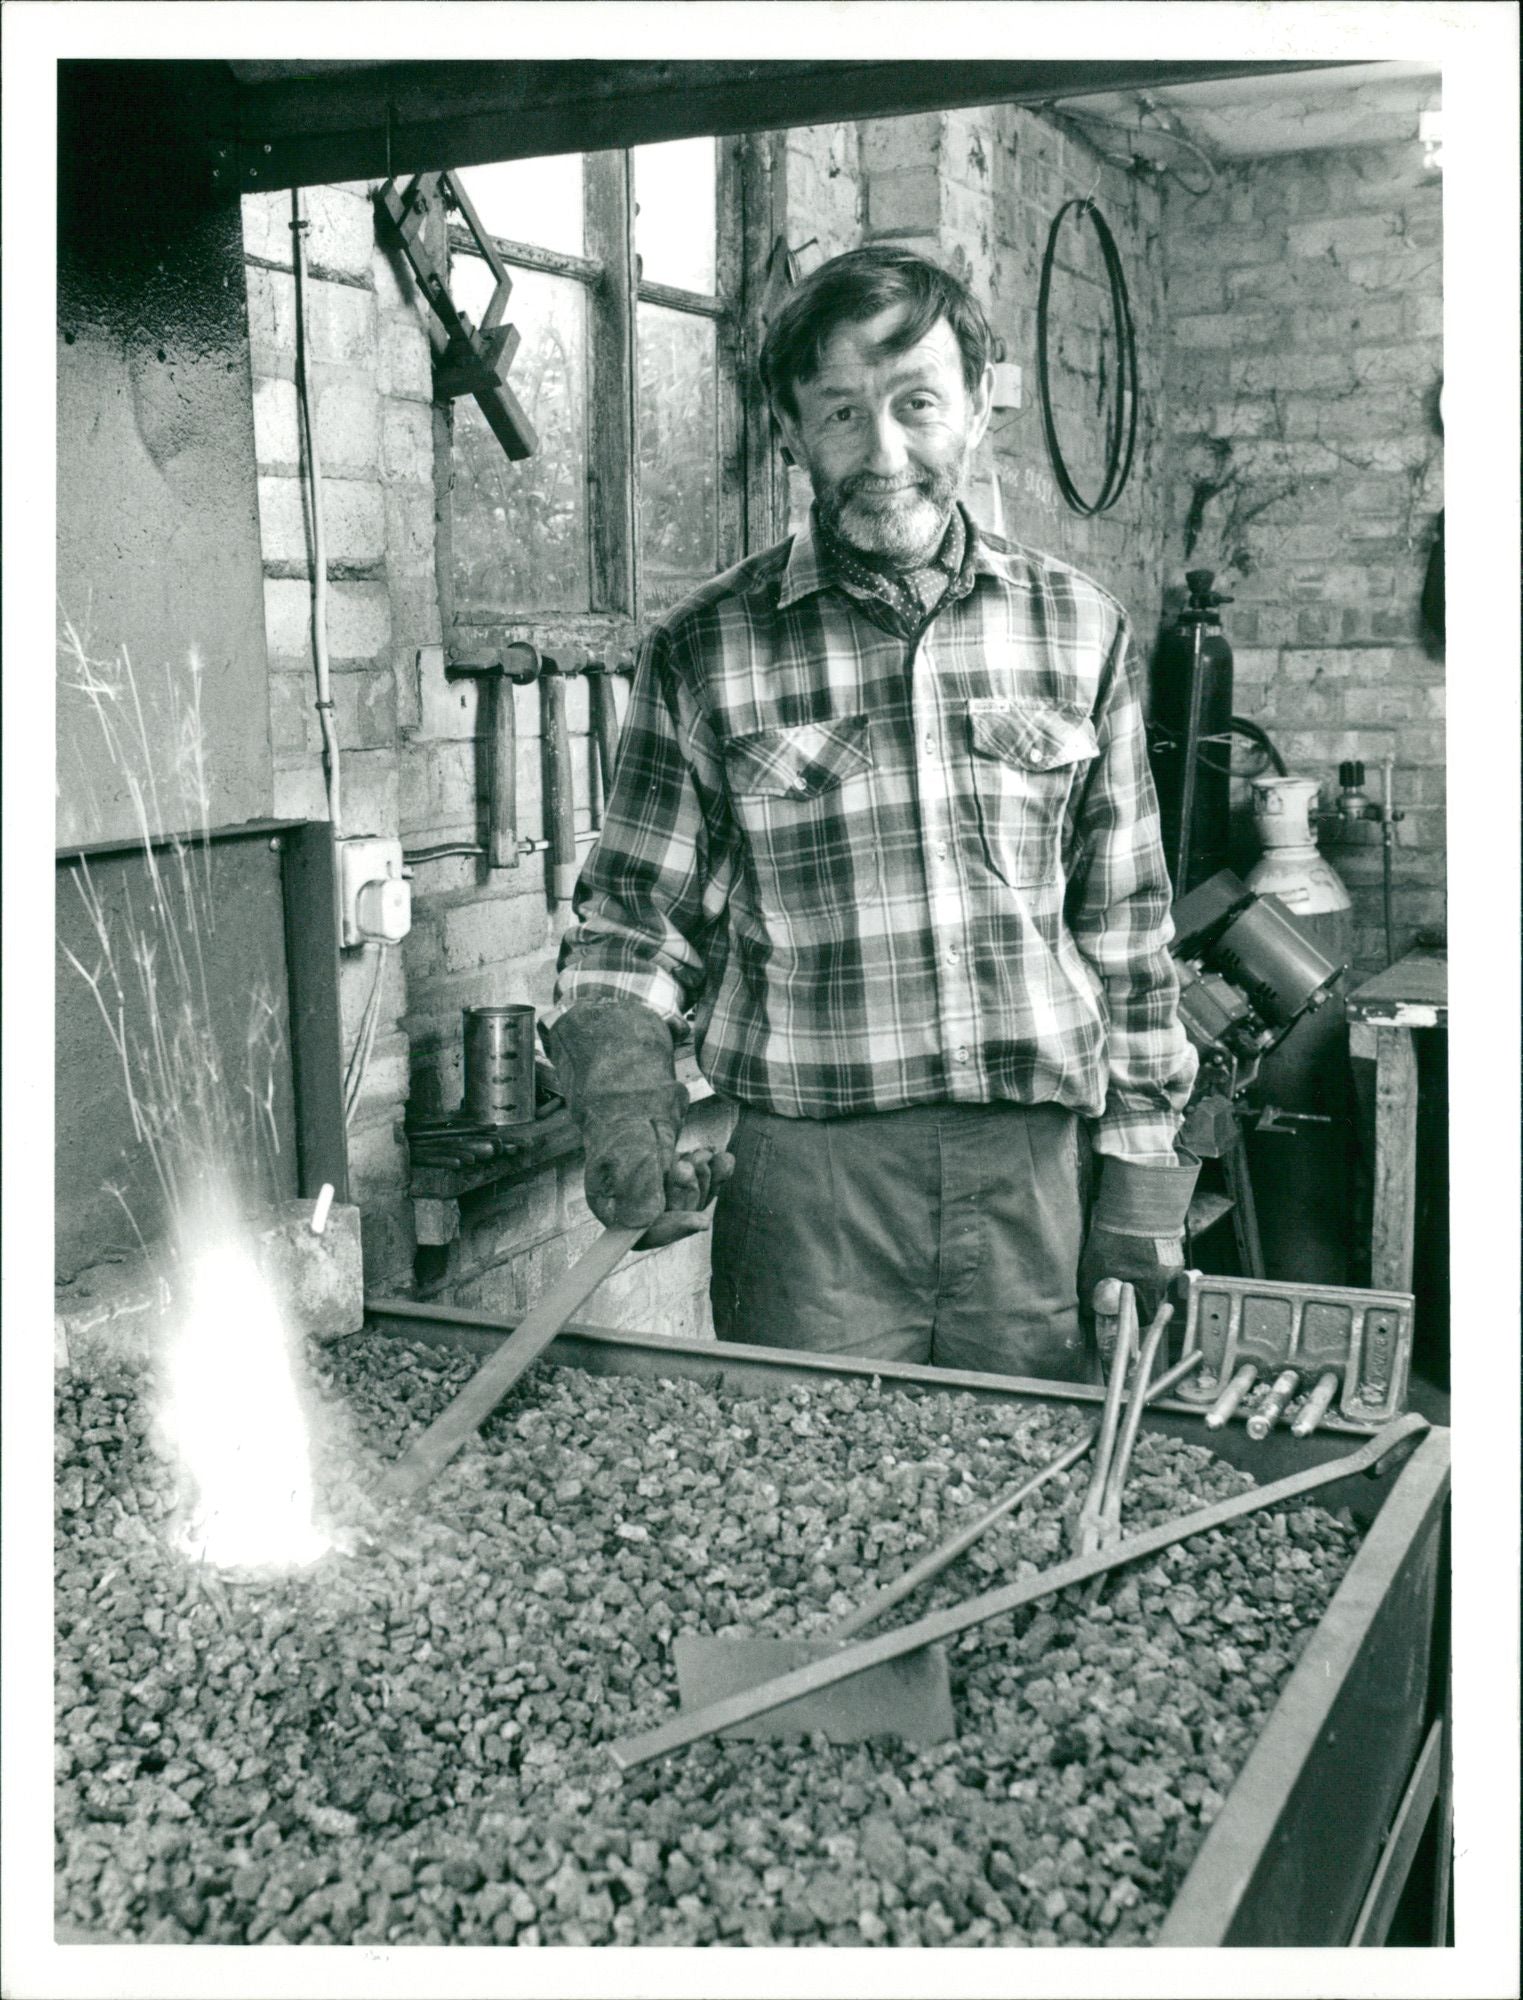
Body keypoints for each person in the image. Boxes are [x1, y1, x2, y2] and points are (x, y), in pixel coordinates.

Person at [549, 245, 1197, 1380]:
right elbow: (633, 925)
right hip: (809, 1201)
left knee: (1029, 1483)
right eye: (840, 412)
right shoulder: (706, 646)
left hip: (1032, 1178)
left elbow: (1129, 928)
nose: (881, 453)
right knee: (816, 1510)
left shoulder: (1074, 626)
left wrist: (1140, 1175)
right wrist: (621, 1095)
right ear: (788, 430)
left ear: (976, 411)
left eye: (915, 405)